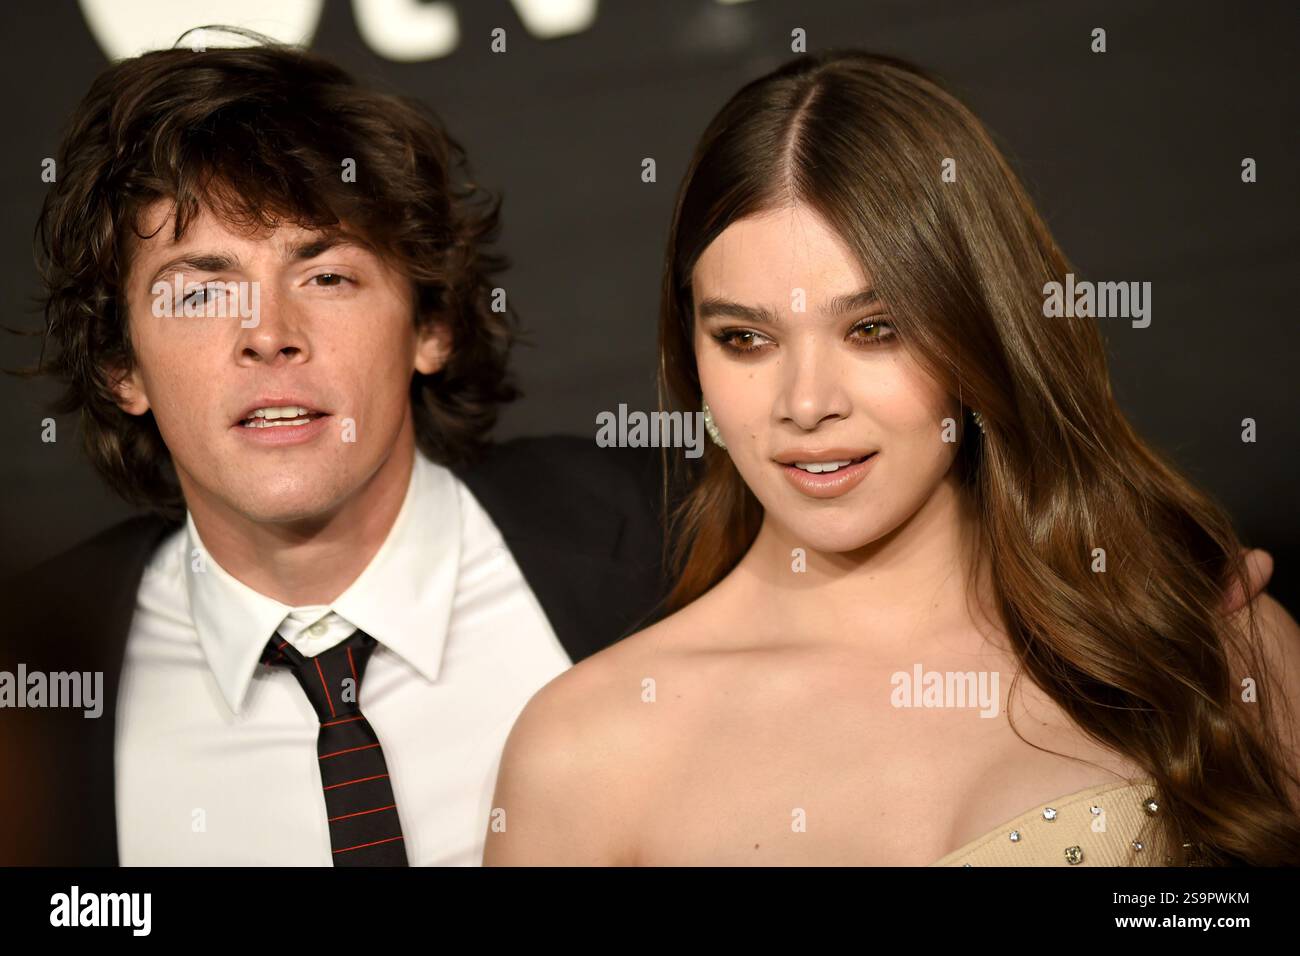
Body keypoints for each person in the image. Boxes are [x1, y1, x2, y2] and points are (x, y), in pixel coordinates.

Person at [484, 51, 1300, 866]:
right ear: (690, 355)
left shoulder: (1196, 641)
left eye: (874, 329)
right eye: (746, 339)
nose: (806, 404)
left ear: (979, 328)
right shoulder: (581, 752)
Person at [0, 32, 668, 865]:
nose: (269, 336)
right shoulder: (32, 688)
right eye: (201, 291)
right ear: (120, 365)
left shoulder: (673, 539)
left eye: (326, 277)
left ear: (431, 324)